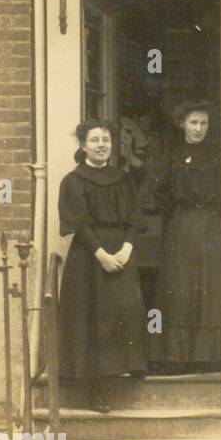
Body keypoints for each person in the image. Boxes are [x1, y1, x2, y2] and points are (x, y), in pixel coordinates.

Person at [57, 120, 148, 412]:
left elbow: (135, 218)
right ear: (83, 146)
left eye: (106, 140)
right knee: (93, 321)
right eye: (94, 140)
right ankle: (96, 391)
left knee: (123, 315)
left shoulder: (123, 179)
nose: (101, 145)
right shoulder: (73, 181)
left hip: (121, 254)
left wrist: (126, 249)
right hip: (89, 258)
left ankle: (127, 372)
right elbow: (79, 223)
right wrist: (101, 254)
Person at [151, 102, 221, 371]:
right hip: (182, 226)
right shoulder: (171, 155)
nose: (199, 129)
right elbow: (157, 192)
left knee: (208, 284)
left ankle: (206, 356)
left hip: (210, 225)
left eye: (204, 123)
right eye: (194, 123)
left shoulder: (218, 155)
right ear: (182, 124)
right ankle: (177, 357)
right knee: (180, 288)